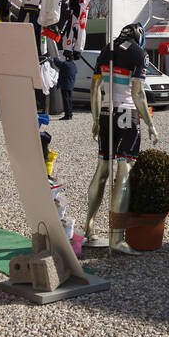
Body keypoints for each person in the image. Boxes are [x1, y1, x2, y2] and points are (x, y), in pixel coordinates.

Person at [85, 22, 159, 255]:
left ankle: (89, 226)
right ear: (139, 36)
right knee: (124, 172)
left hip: (106, 113)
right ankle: (116, 238)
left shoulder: (107, 49)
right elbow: (137, 93)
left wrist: (96, 118)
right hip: (127, 114)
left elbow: (94, 88)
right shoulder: (139, 53)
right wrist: (150, 123)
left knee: (102, 170)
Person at [58, 54, 77, 119]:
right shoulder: (74, 65)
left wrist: (55, 58)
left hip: (65, 85)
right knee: (69, 100)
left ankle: (67, 115)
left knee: (66, 101)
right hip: (71, 85)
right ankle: (70, 114)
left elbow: (58, 63)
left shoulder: (65, 64)